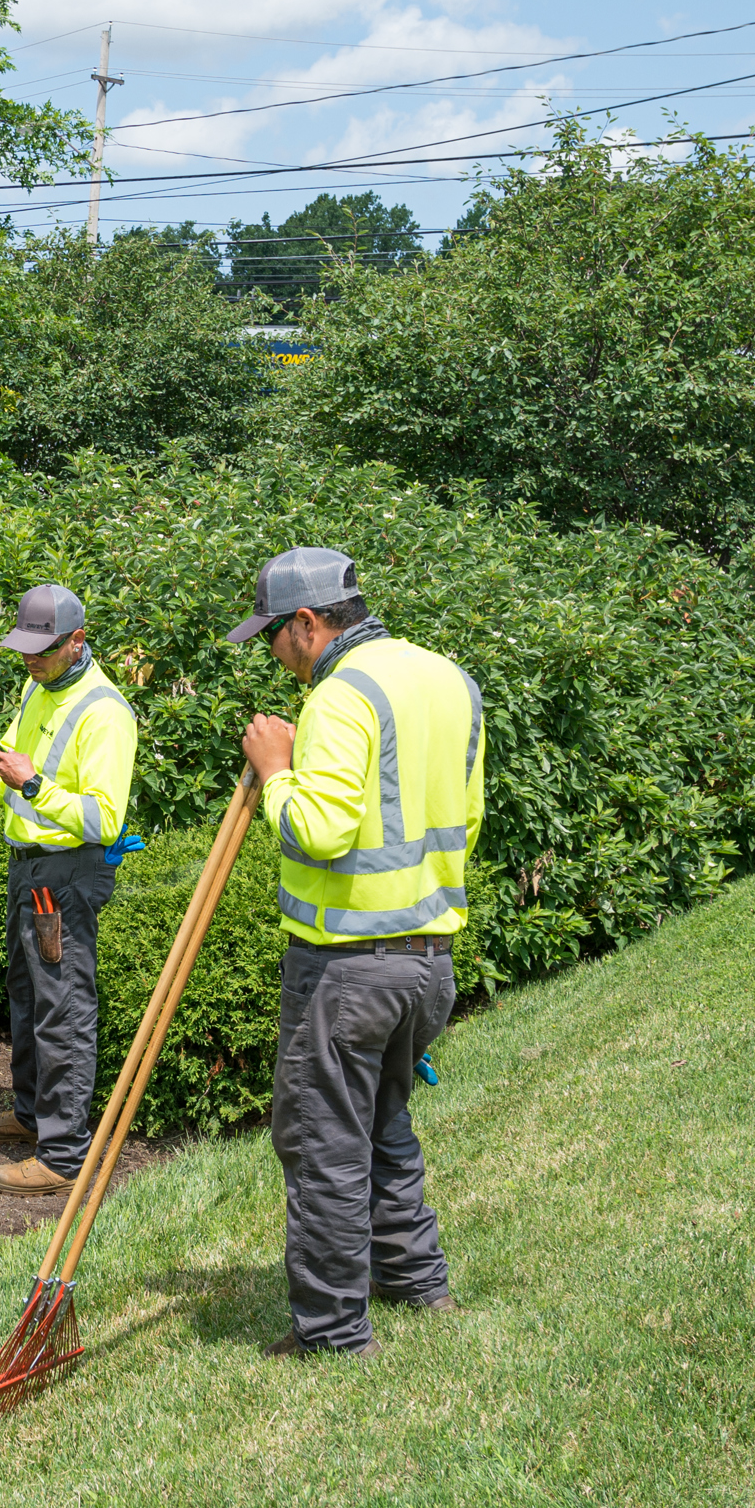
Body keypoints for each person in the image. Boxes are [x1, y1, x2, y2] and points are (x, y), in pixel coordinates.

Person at [226, 547, 483, 1358]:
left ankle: (334, 1332)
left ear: (307, 623)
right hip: (430, 960)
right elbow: (464, 816)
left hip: (349, 965)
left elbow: (322, 830)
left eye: (272, 635)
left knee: (323, 1144)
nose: (273, 654)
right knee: (382, 1126)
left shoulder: (341, 696)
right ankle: (415, 1281)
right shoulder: (448, 678)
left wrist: (275, 773)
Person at [0, 583, 140, 1197]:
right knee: (29, 996)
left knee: (62, 1008)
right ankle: (31, 1117)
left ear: (77, 641)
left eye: (43, 648)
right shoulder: (38, 687)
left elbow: (104, 821)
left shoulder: (106, 712)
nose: (30, 659)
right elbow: (16, 757)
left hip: (66, 875)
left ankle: (62, 1156)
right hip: (27, 867)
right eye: (25, 647)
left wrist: (32, 789)